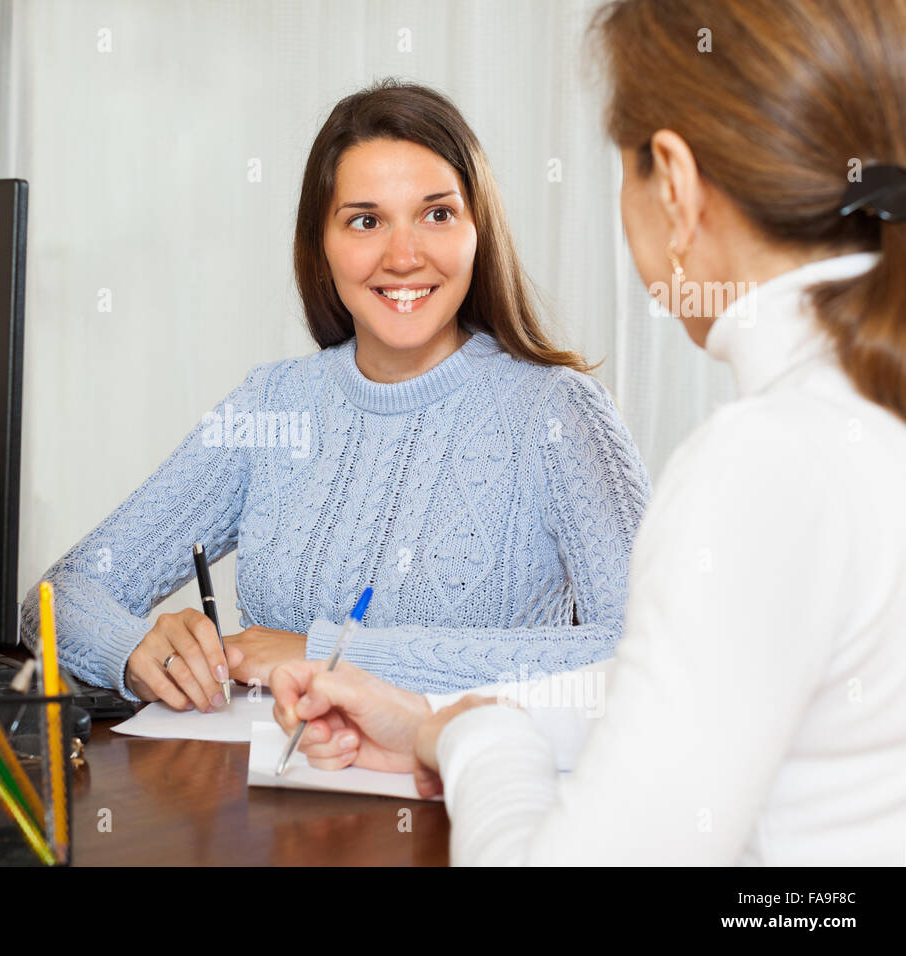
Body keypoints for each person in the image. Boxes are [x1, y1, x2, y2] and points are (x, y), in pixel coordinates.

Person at [270, 0, 906, 865]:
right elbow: (694, 694)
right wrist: (437, 728)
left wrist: (481, 746)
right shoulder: (851, 419)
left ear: (672, 184)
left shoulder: (759, 465)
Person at [20, 80, 650, 711]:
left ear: (477, 231)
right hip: (279, 792)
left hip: (465, 796)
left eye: (437, 214)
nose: (404, 256)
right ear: (320, 245)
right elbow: (59, 597)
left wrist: (328, 655)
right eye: (366, 221)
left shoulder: (559, 412)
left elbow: (648, 649)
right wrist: (133, 650)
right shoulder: (272, 408)